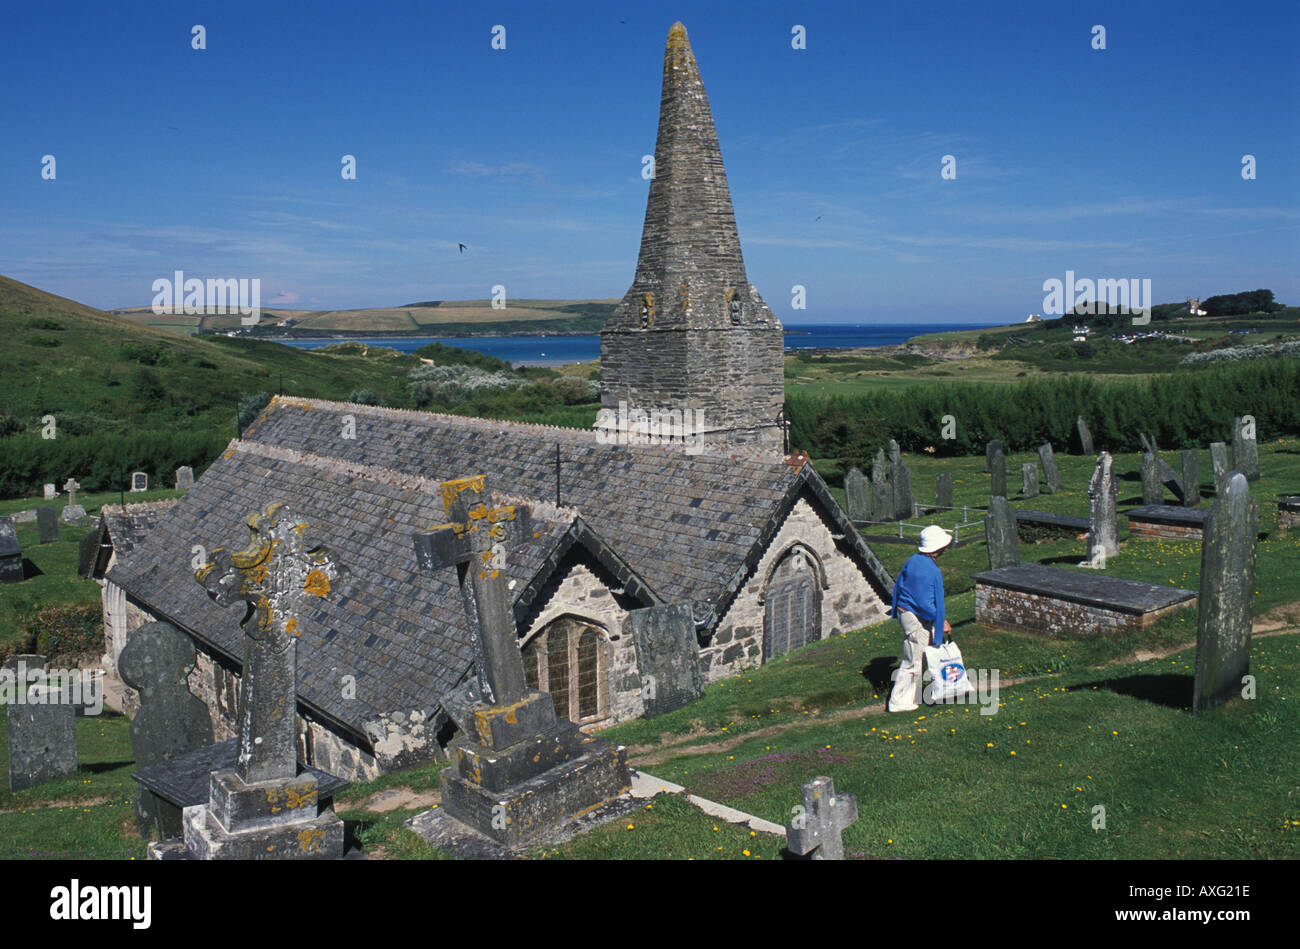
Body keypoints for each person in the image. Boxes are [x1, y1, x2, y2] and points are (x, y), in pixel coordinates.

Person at [887, 524, 953, 713]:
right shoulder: (931, 571)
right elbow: (925, 604)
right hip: (913, 615)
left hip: (905, 611)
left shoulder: (913, 560)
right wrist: (941, 621)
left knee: (919, 655)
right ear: (938, 548)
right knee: (913, 659)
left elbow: (900, 586)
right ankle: (898, 701)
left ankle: (911, 696)